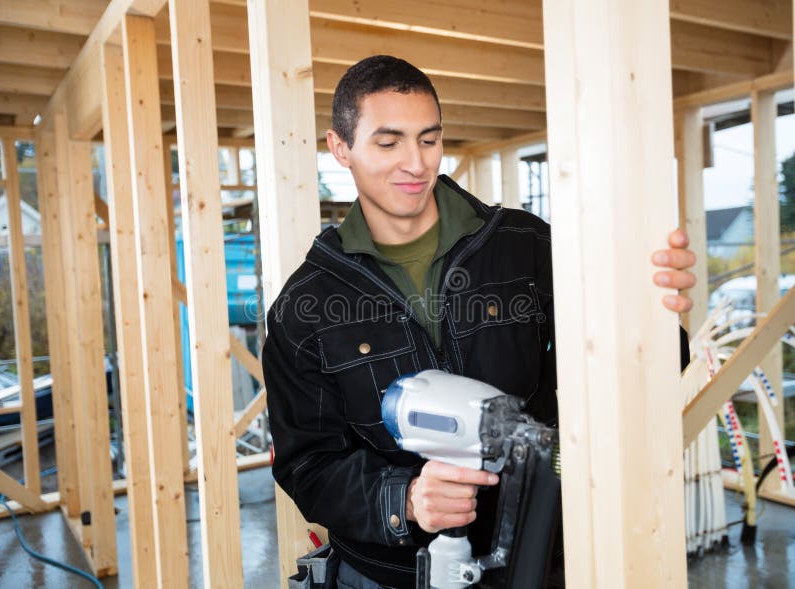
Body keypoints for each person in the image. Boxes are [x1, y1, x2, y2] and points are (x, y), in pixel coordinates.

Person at [262, 55, 697, 589]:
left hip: (538, 561)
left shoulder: (525, 245)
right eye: (388, 141)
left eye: (429, 138)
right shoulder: (305, 304)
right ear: (340, 147)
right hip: (385, 576)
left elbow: (640, 371)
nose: (416, 163)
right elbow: (306, 464)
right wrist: (403, 499)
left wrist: (649, 313)